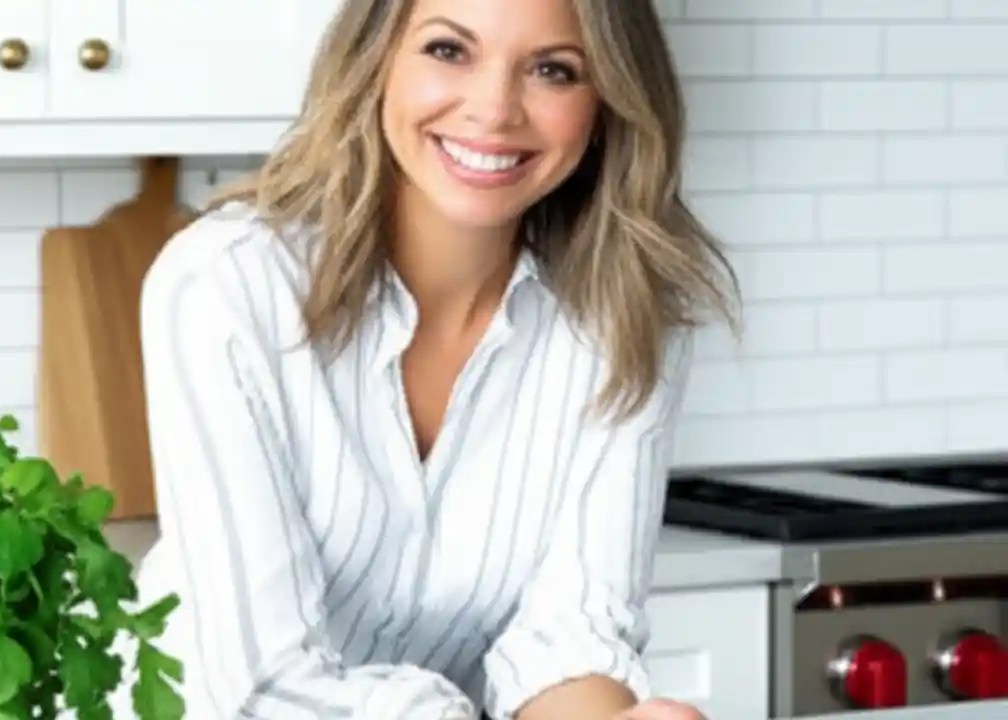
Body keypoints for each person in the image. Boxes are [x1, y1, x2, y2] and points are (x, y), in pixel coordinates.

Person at [124, 0, 741, 717]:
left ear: (606, 101)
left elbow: (570, 635)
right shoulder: (227, 283)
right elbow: (263, 683)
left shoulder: (629, 318)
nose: (494, 109)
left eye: (553, 70)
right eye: (449, 50)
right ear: (376, 57)